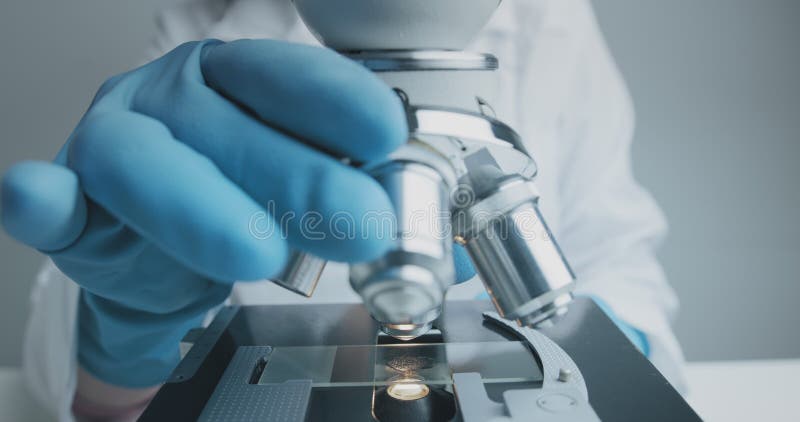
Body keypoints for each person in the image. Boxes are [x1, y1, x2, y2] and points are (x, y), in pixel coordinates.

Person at [0, 0, 687, 420]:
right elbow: (68, 394)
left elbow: (619, 260)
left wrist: (583, 335)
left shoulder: (553, 22)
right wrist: (121, 342)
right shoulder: (203, 33)